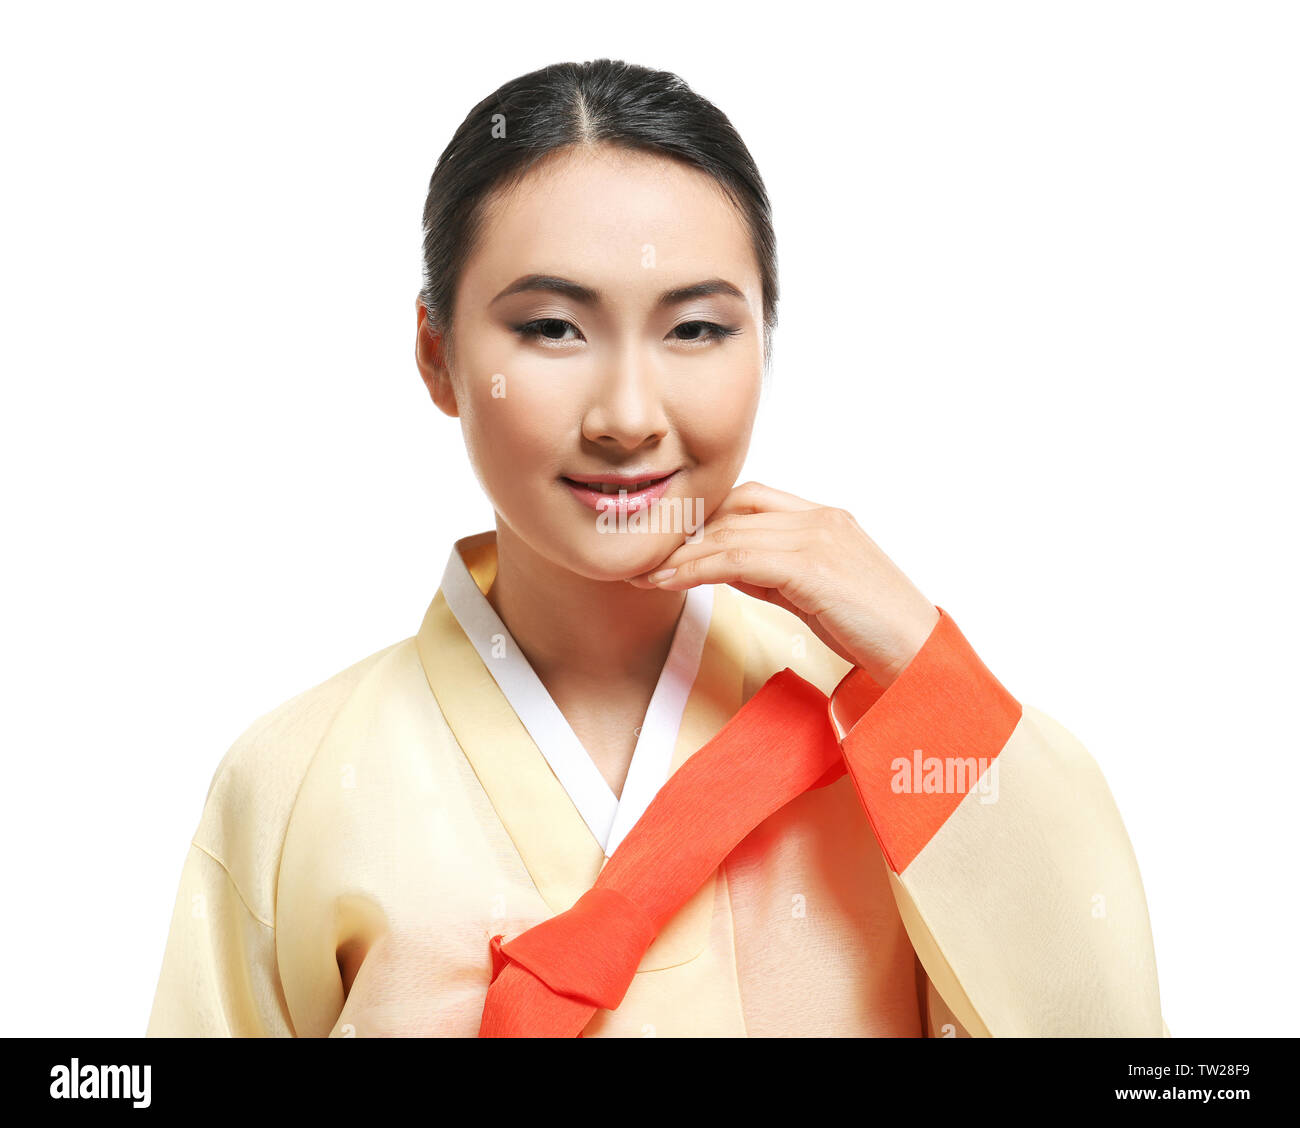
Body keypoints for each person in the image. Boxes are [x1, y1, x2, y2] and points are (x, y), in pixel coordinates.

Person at [146, 58, 1168, 1038]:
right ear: (436, 355)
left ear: (764, 341)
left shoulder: (891, 725)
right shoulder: (292, 781)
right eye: (551, 328)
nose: (627, 417)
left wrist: (921, 665)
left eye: (694, 331)